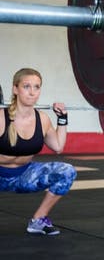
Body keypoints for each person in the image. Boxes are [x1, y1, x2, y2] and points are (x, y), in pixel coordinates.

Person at [0, 68, 77, 235]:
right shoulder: (0, 117)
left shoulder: (42, 119)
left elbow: (58, 147)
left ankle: (38, 220)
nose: (32, 92)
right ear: (15, 89)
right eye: (26, 86)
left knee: (66, 171)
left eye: (37, 87)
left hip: (24, 176)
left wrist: (62, 118)